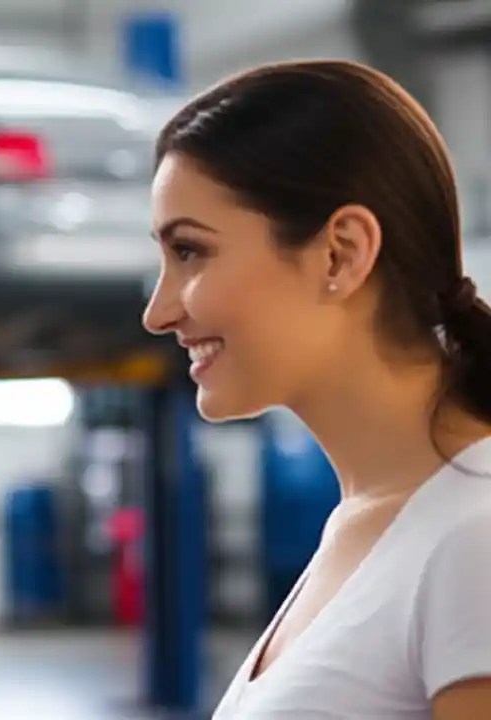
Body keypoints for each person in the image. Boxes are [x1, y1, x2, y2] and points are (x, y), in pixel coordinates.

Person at [143, 59, 491, 718]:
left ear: (341, 253)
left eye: (190, 252)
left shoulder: (475, 533)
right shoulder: (369, 522)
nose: (158, 312)